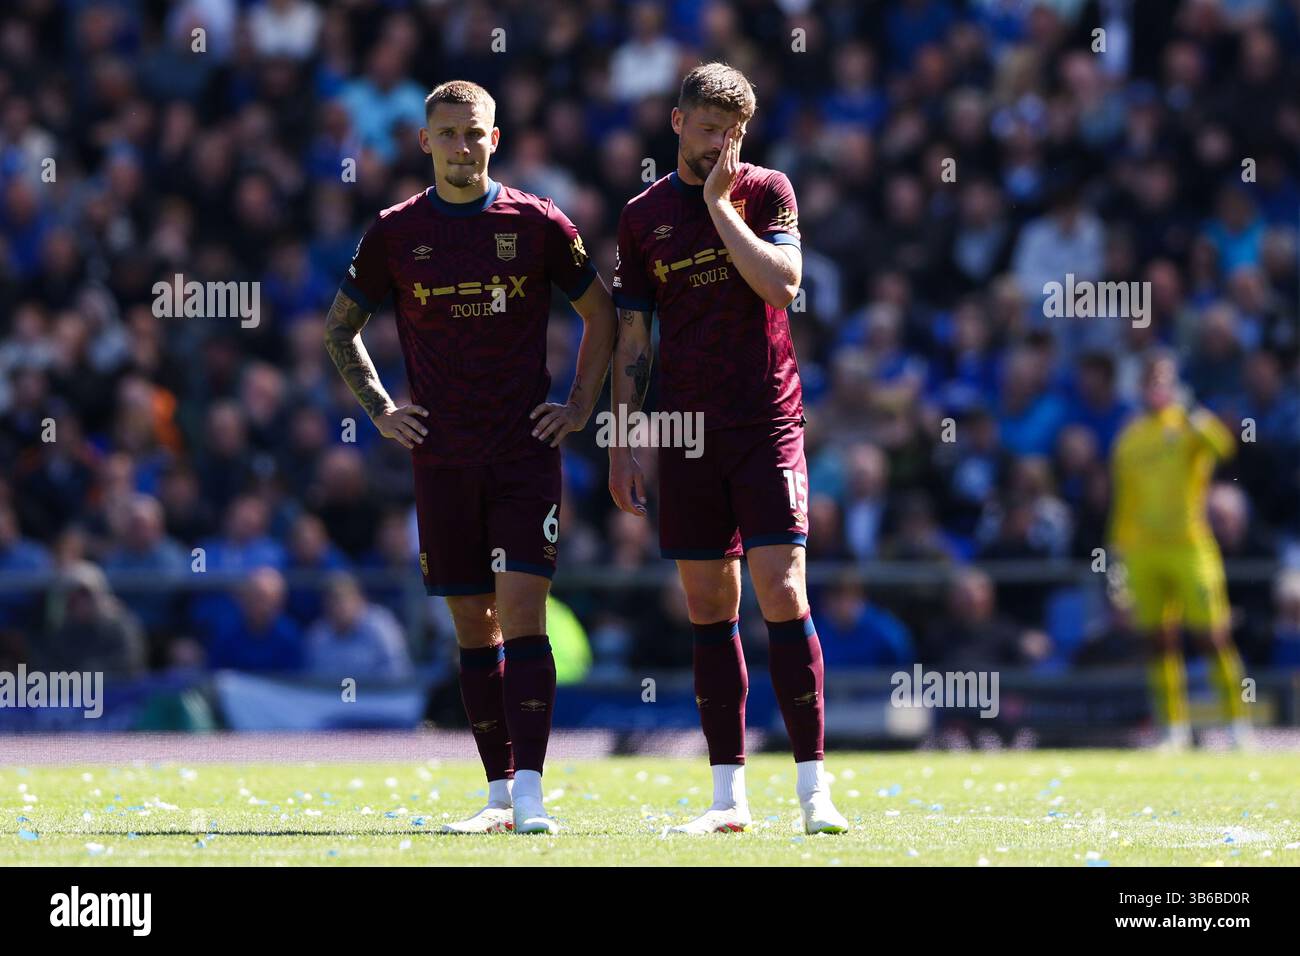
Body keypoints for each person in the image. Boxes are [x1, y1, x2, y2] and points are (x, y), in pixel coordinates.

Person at [324, 80, 616, 833]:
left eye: (474, 132)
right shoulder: (394, 232)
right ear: (425, 142)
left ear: (495, 137)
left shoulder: (539, 222)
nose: (462, 145)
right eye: (447, 133)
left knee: (523, 616)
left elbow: (601, 315)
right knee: (471, 627)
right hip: (441, 458)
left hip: (524, 454)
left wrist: (580, 406)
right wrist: (382, 411)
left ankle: (531, 796)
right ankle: (495, 795)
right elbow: (339, 328)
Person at [610, 62, 848, 835]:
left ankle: (815, 791)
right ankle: (728, 799)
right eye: (708, 128)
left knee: (782, 588)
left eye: (734, 132)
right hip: (686, 432)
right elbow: (633, 337)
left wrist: (720, 209)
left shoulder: (767, 191)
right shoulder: (642, 218)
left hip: (766, 420)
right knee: (710, 605)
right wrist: (621, 438)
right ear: (678, 123)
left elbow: (783, 286)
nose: (721, 144)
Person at [1108, 350, 1250, 750]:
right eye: (1151, 380)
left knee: (1212, 635)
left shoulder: (1190, 425)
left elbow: (1223, 447)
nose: (1158, 388)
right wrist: (1117, 561)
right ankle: (1173, 728)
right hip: (1143, 552)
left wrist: (1190, 410)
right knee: (1159, 640)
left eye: (1164, 380)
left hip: (1190, 545)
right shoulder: (1131, 438)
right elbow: (1124, 504)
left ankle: (1238, 724)